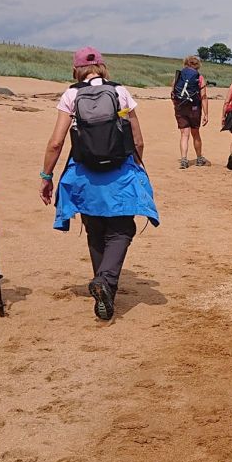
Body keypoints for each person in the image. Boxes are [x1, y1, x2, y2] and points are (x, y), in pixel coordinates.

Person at [40, 47, 159, 322]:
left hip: (84, 174)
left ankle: (103, 285)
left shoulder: (71, 95)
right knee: (121, 230)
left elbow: (56, 142)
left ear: (76, 69)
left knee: (94, 229)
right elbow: (138, 139)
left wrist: (46, 176)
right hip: (120, 172)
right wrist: (136, 168)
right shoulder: (120, 92)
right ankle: (105, 282)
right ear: (103, 68)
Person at [172, 55, 210, 169]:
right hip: (194, 108)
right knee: (195, 133)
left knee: (184, 134)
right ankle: (199, 158)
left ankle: (184, 159)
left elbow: (173, 91)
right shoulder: (199, 77)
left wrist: (176, 105)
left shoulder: (179, 75)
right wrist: (206, 113)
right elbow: (203, 96)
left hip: (180, 107)